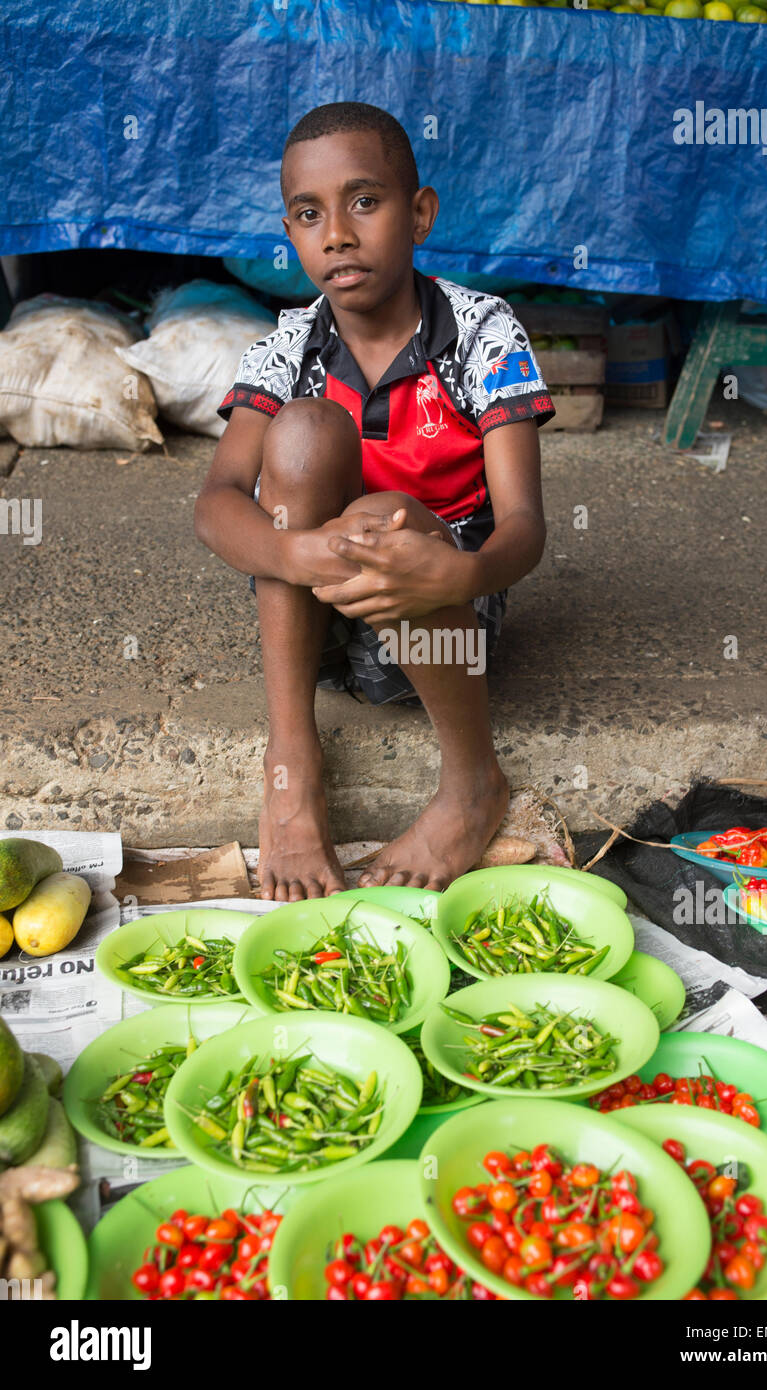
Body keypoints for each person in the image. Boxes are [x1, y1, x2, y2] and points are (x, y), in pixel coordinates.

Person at [194, 102, 552, 902]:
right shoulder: (288, 345)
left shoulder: (481, 332)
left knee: (377, 515)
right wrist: (289, 551)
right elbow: (215, 502)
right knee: (305, 431)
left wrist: (461, 576)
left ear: (419, 213)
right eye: (308, 214)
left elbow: (524, 527)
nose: (338, 235)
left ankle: (471, 785)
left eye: (364, 201)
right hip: (312, 616)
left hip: (439, 623)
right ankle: (292, 767)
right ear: (289, 233)